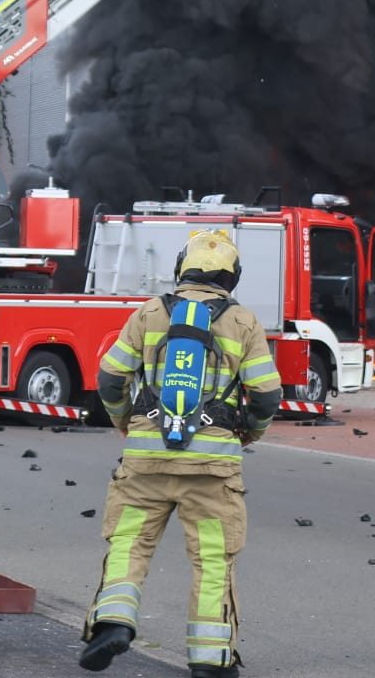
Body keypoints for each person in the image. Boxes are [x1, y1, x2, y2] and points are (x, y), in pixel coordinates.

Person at [79, 230, 283, 675]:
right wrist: (247, 434)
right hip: (211, 469)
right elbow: (267, 396)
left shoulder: (150, 313)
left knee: (128, 543)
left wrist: (126, 424)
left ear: (180, 268)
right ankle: (210, 660)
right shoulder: (243, 322)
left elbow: (111, 379)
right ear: (234, 277)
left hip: (145, 461)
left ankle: (113, 622)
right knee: (212, 560)